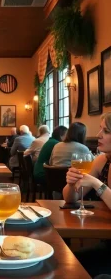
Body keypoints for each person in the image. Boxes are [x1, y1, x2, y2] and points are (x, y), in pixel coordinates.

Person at [62, 113, 111, 279]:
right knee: (65, 262)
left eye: (106, 130)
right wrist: (71, 183)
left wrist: (96, 184)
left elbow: (96, 185)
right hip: (107, 243)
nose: (98, 135)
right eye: (100, 129)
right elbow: (70, 199)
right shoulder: (102, 160)